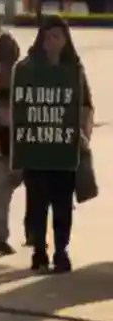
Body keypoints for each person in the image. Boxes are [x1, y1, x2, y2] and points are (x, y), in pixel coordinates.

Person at [20, 16, 93, 273]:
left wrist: (83, 135)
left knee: (62, 204)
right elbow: (19, 106)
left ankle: (61, 250)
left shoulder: (74, 69)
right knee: (36, 204)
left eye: (58, 36)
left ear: (65, 40)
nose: (52, 41)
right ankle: (39, 249)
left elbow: (85, 105)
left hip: (64, 149)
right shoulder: (27, 68)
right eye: (48, 36)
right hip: (36, 149)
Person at [0, 27, 23, 255]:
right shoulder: (23, 71)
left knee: (0, 195)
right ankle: (34, 233)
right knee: (33, 191)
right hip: (20, 141)